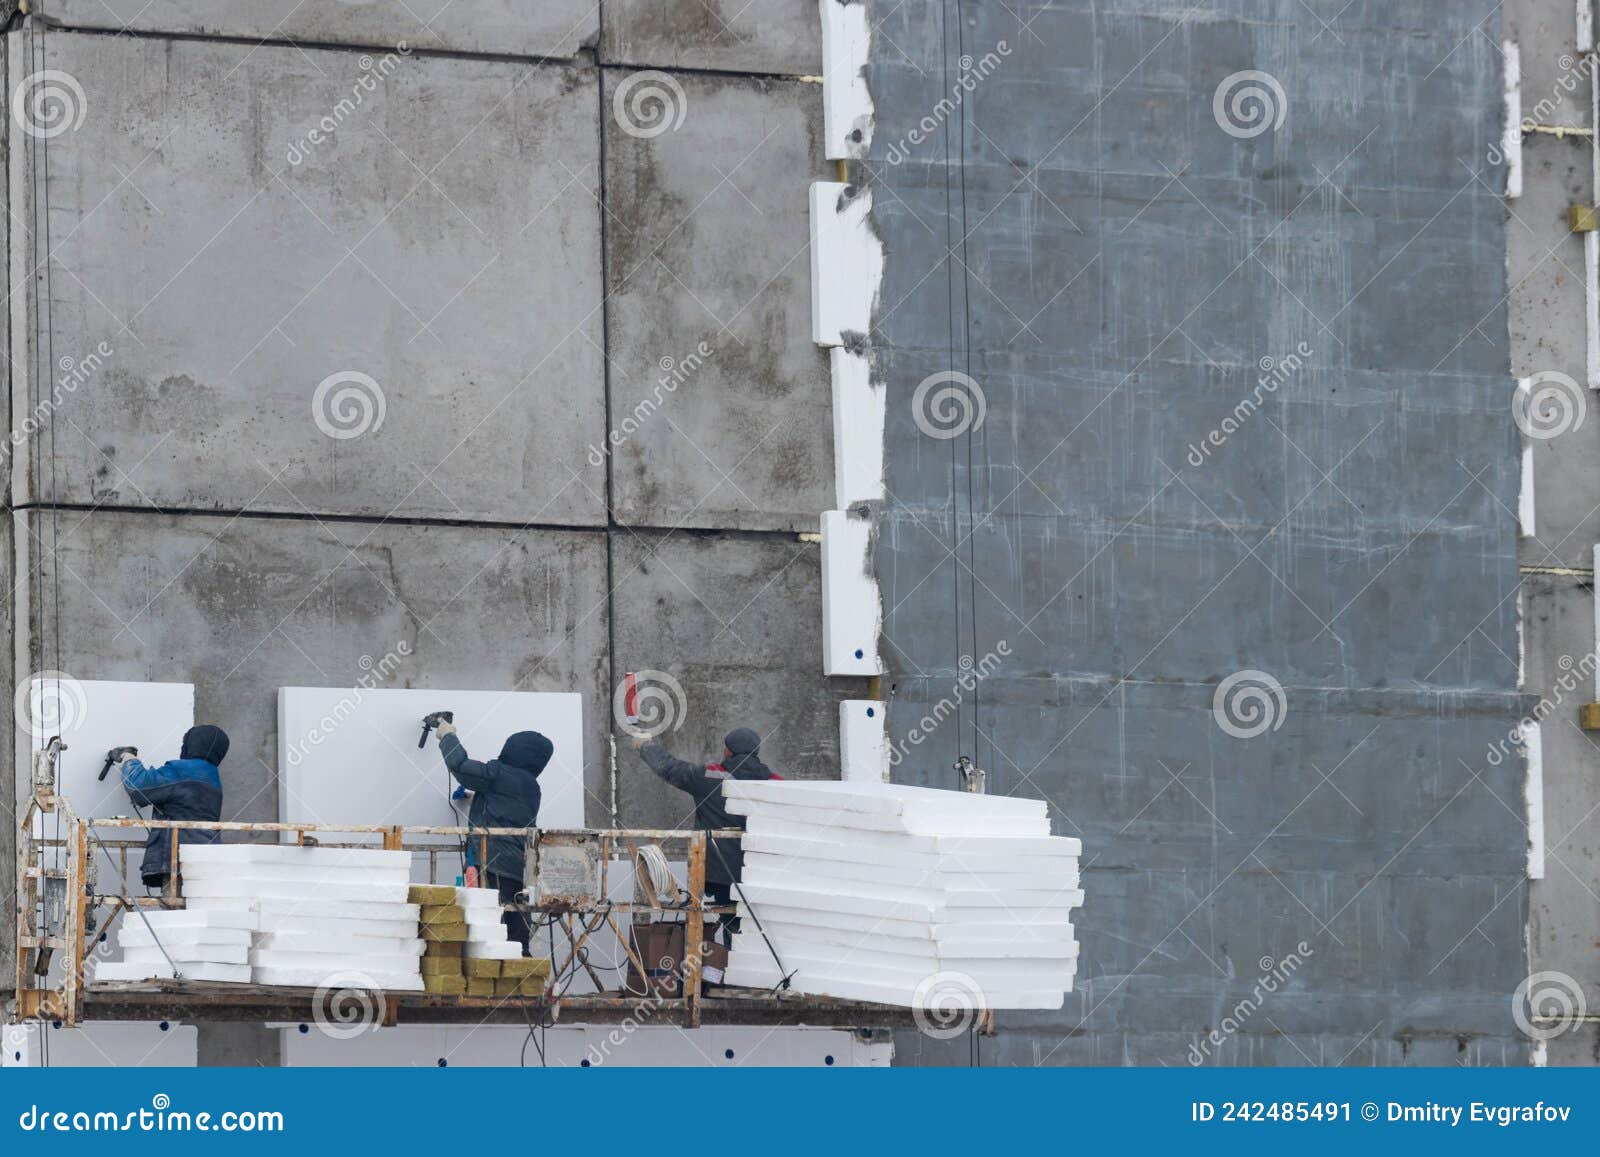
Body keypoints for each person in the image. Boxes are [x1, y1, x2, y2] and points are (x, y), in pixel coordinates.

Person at [634, 727, 781, 944]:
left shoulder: (709, 776)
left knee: (729, 920)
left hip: (716, 875)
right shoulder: (777, 784)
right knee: (749, 929)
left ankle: (717, 968)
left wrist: (645, 746)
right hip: (759, 874)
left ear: (728, 751)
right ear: (756, 751)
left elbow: (670, 768)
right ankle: (739, 968)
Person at [433, 719, 550, 955]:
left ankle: (494, 980)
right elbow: (506, 807)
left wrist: (447, 735)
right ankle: (520, 982)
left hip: (493, 863)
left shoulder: (501, 773)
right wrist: (476, 797)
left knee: (489, 927)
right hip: (519, 866)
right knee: (516, 931)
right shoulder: (531, 784)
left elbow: (461, 765)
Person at [116, 725, 228, 891]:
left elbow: (139, 787)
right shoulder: (212, 775)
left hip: (178, 860)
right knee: (195, 911)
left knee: (177, 913)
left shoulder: (184, 769)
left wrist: (128, 758)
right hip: (205, 858)